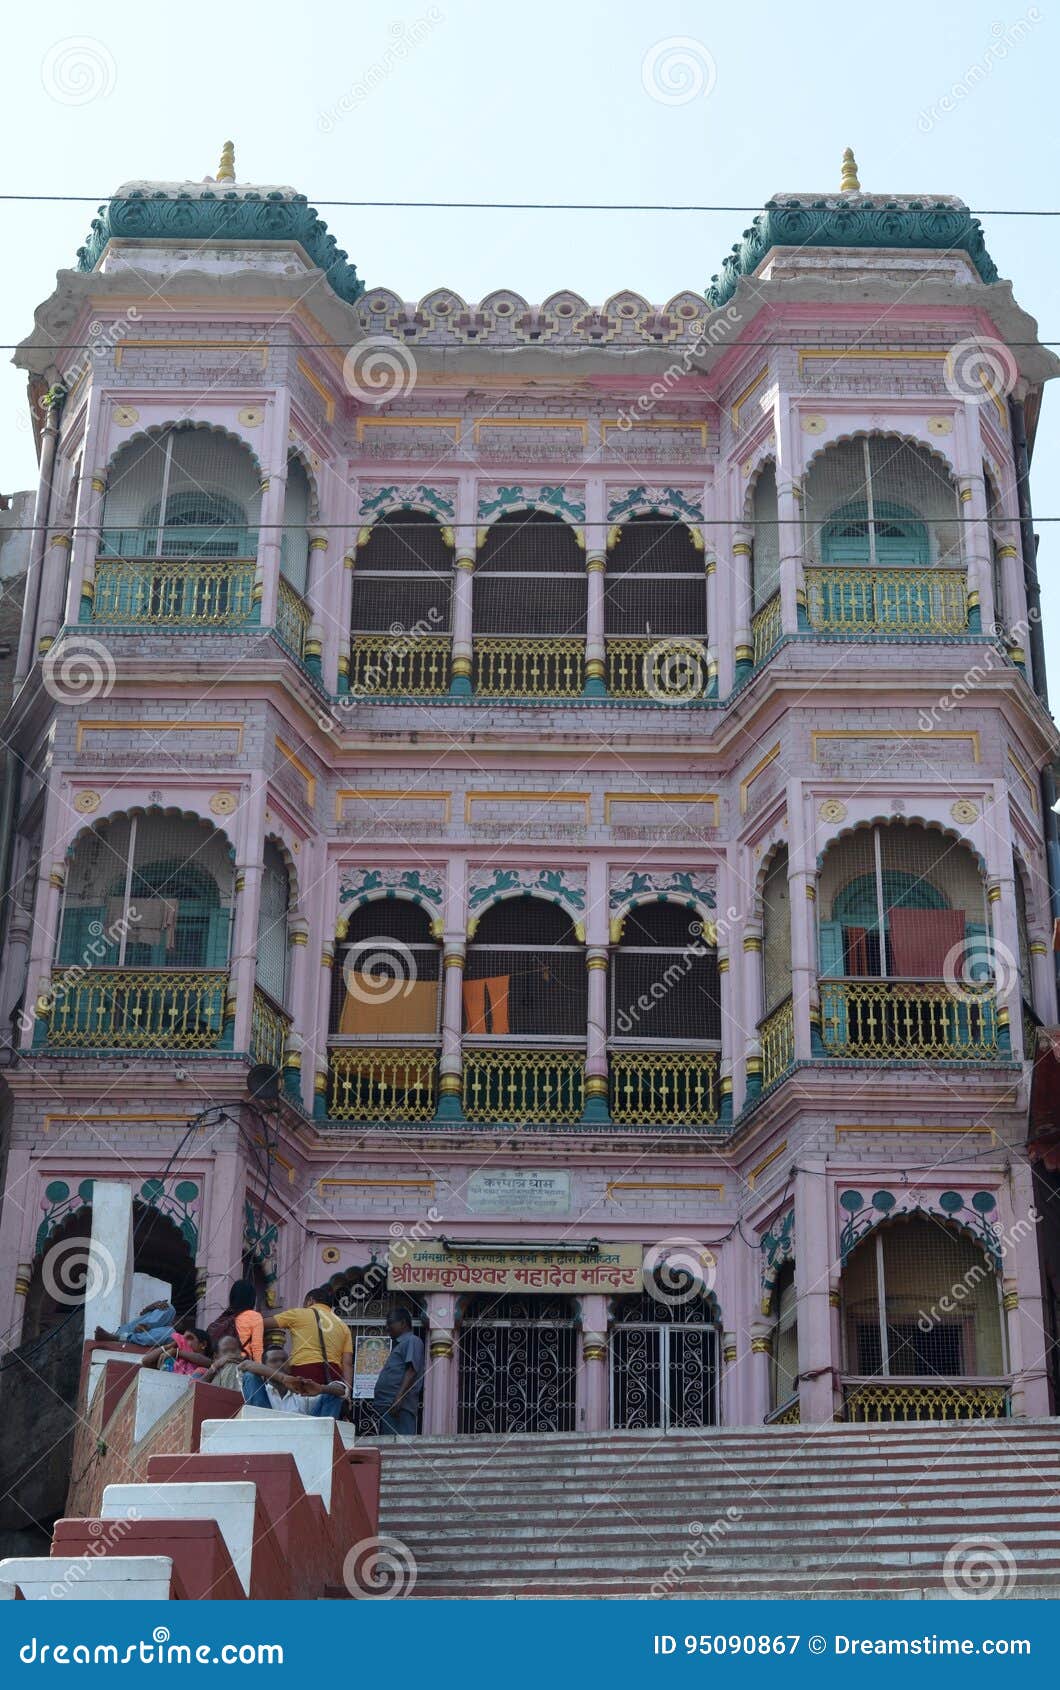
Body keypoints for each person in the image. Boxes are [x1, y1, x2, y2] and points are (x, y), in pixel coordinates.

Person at [265, 1286, 352, 1418]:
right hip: (332, 1385)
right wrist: (347, 1393)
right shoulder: (343, 1326)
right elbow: (347, 1364)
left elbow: (262, 1324)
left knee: (300, 1420)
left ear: (310, 1301)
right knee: (325, 1425)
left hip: (303, 1379)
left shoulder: (299, 1314)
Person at [373, 1309, 424, 1435]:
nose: (387, 1327)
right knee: (391, 1446)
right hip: (390, 1405)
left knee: (401, 1447)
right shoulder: (400, 1344)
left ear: (403, 1323)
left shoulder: (412, 1340)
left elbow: (411, 1370)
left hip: (399, 1406)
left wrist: (398, 1397)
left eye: (390, 1323)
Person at [207, 1279, 264, 1363]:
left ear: (232, 1296)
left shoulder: (225, 1316)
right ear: (252, 1298)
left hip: (220, 1363)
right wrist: (261, 1373)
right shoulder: (254, 1316)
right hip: (241, 1362)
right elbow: (257, 1348)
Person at [94, 1298, 177, 1347]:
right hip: (129, 1329)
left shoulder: (169, 1332)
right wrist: (151, 1307)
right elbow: (142, 1313)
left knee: (171, 1333)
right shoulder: (163, 1316)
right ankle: (145, 1326)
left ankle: (120, 1337)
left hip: (124, 1337)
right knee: (169, 1307)